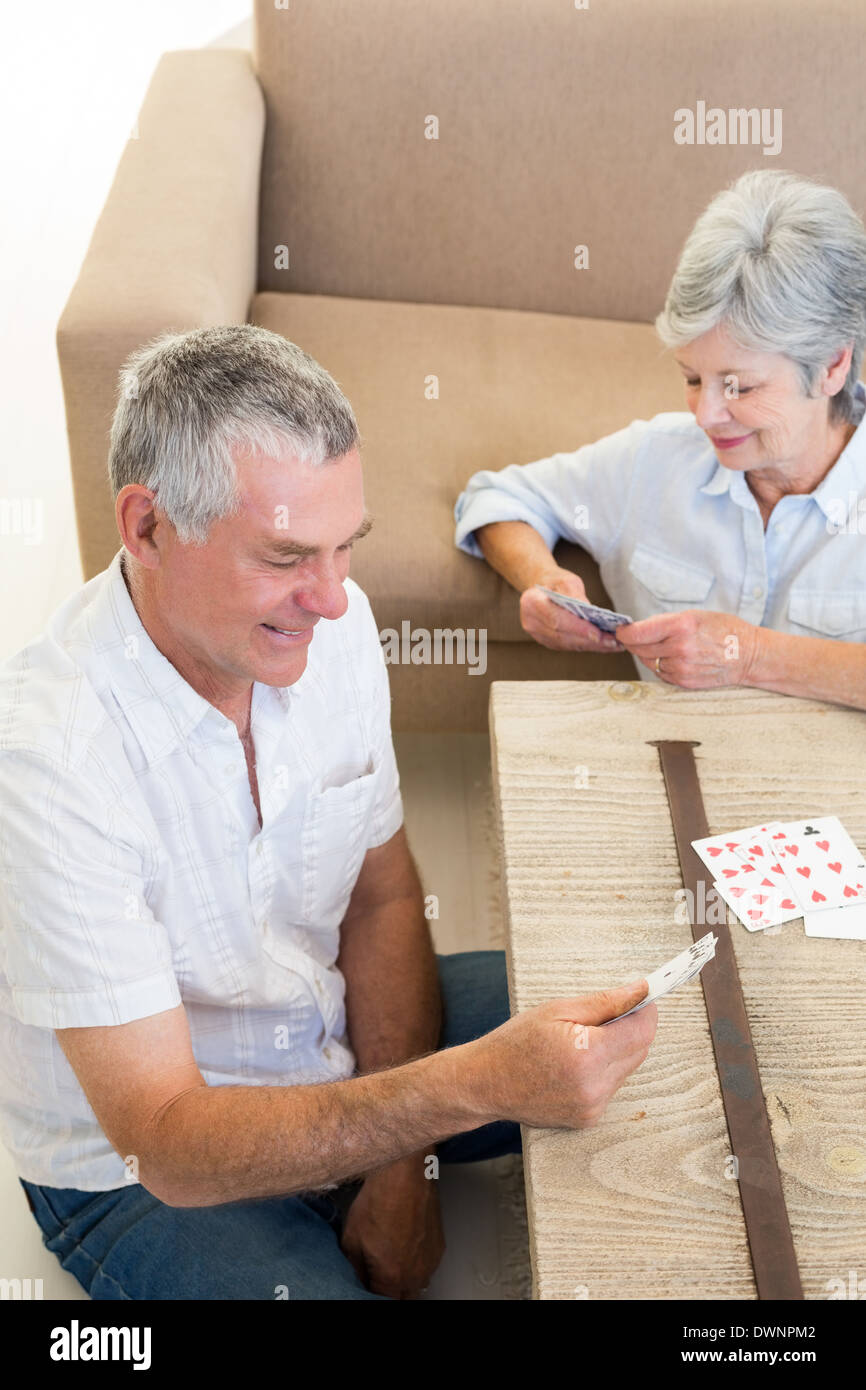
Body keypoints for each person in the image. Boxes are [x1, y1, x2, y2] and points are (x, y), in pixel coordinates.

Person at [0, 325, 656, 1301]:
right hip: (147, 1171)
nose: (334, 598)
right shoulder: (48, 761)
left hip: (322, 1037)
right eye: (284, 555)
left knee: (642, 1030)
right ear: (146, 528)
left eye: (345, 547)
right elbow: (169, 1141)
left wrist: (402, 1169)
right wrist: (465, 1089)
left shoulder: (320, 630)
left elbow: (380, 897)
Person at [455, 170, 866, 709]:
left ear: (833, 366)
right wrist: (543, 579)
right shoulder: (653, 462)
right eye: (693, 379)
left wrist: (748, 656)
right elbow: (496, 498)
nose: (707, 414)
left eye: (739, 386)